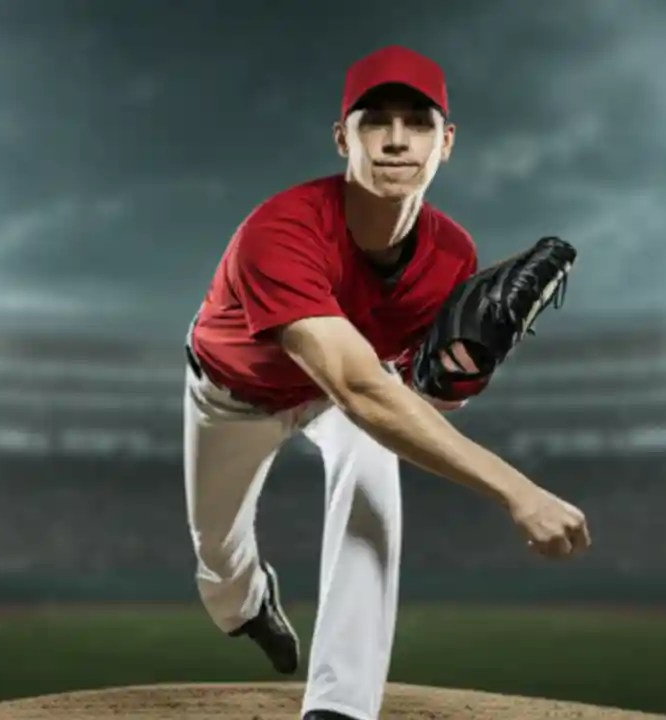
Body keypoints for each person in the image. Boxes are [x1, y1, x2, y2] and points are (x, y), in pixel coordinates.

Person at [182, 45, 591, 720]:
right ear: (343, 137)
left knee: (373, 474)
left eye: (418, 122)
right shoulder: (280, 231)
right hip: (234, 394)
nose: (397, 139)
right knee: (218, 553)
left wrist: (460, 373)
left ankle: (341, 705)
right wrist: (518, 490)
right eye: (376, 120)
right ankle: (247, 605)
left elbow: (415, 400)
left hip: (345, 390)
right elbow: (361, 387)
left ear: (445, 142)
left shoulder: (453, 253)